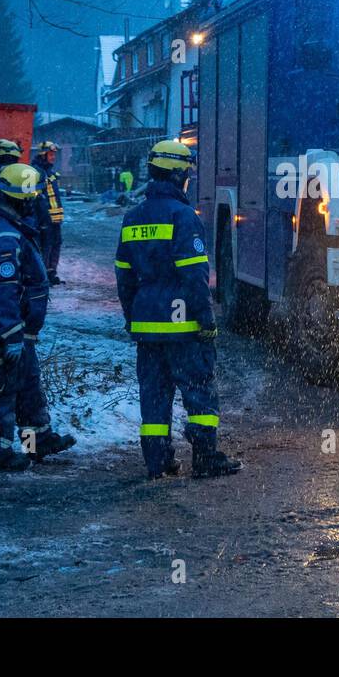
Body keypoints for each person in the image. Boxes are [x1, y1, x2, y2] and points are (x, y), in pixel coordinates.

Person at [114, 140, 241, 480]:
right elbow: (194, 276)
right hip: (183, 326)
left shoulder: (132, 217)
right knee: (199, 391)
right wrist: (206, 320)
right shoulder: (183, 216)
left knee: (154, 398)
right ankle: (205, 457)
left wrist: (133, 318)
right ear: (178, 174)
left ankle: (158, 462)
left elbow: (124, 278)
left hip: (147, 327)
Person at [0, 162, 77, 471]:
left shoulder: (10, 227)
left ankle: (35, 443)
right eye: (31, 197)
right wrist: (12, 336)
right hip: (3, 331)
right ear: (18, 198)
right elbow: (3, 292)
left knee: (28, 388)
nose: (35, 202)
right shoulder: (5, 236)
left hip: (17, 330)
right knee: (2, 389)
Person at [32, 140, 65, 284]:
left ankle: (51, 273)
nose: (53, 157)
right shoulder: (35, 172)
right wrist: (40, 218)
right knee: (44, 246)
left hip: (54, 219)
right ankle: (42, 275)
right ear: (42, 154)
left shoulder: (49, 172)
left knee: (55, 244)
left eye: (54, 154)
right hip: (44, 219)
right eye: (50, 154)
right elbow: (34, 197)